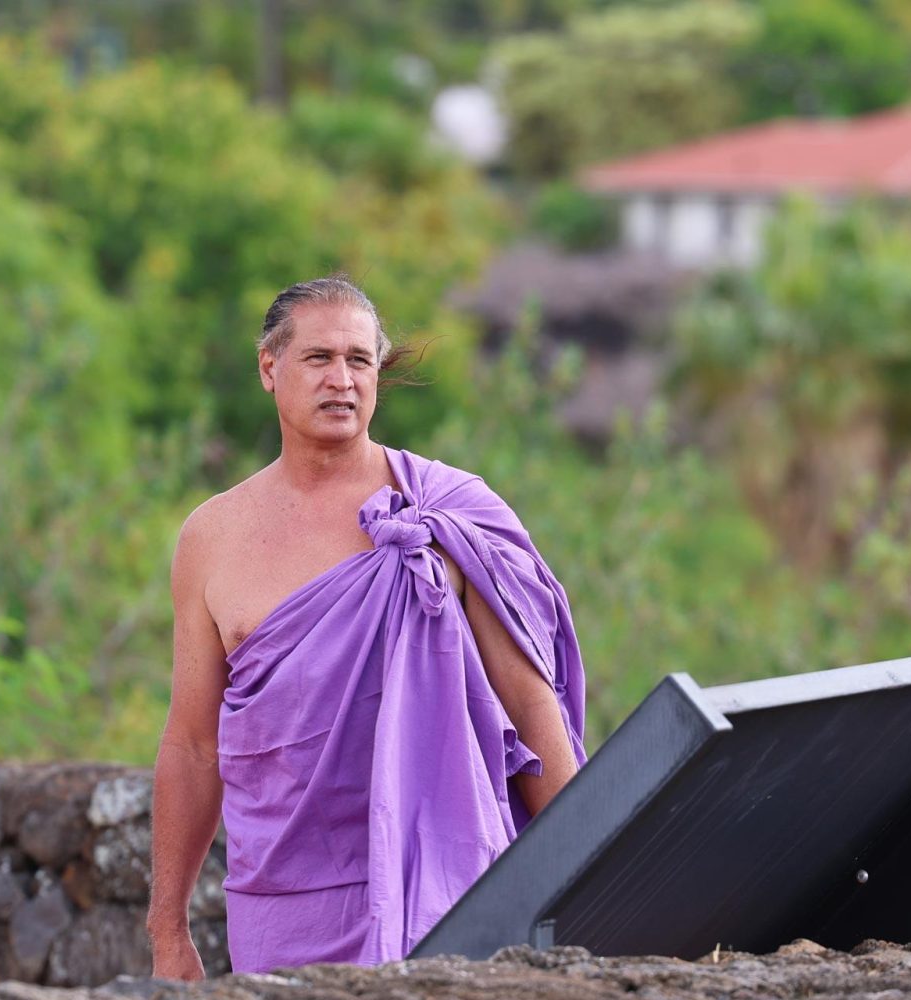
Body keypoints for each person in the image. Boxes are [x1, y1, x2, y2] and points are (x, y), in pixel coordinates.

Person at [145, 276, 586, 978]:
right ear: (269, 367)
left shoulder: (449, 513)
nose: (342, 380)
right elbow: (194, 745)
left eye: (359, 360)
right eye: (319, 358)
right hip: (282, 900)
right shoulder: (213, 536)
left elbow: (532, 709)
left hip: (444, 882)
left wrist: (585, 883)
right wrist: (168, 930)